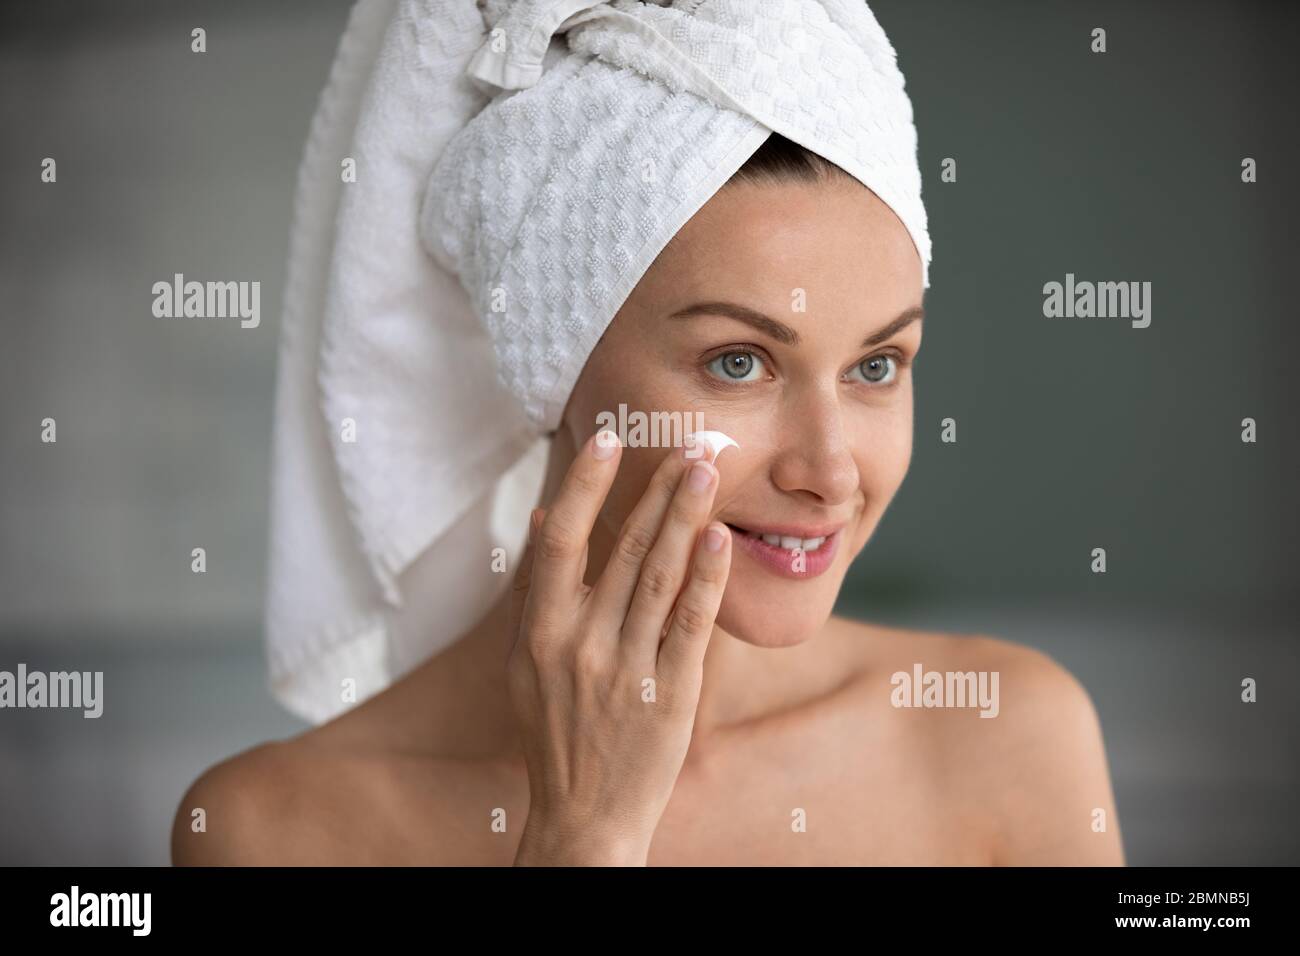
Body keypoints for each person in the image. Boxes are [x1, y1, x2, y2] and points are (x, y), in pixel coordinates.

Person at [172, 124, 1124, 865]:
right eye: (739, 362)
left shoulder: (1003, 734)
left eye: (877, 365)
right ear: (551, 368)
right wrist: (582, 843)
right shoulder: (272, 831)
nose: (830, 473)